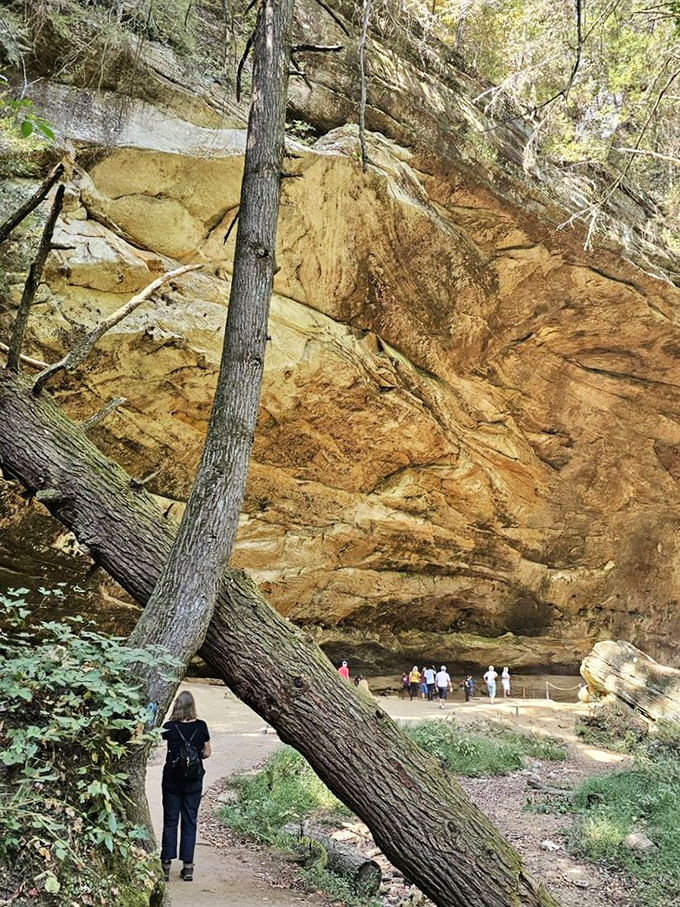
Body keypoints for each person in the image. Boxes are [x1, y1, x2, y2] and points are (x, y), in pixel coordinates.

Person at [161, 691, 211, 883]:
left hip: (172, 780)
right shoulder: (202, 726)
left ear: (176, 706)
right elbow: (207, 753)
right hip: (193, 781)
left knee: (170, 821)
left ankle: (166, 865)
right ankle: (188, 867)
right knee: (190, 820)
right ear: (193, 707)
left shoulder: (169, 727)